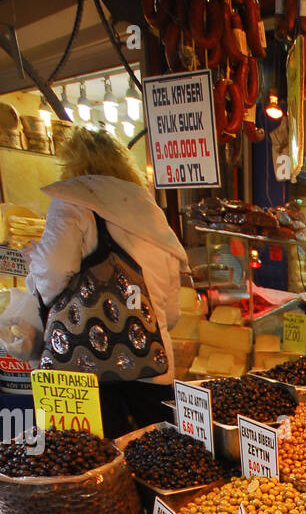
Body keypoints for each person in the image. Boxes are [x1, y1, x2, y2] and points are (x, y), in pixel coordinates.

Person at [26, 127, 189, 434]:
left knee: (97, 468)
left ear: (72, 162)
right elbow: (171, 313)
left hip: (85, 369)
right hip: (152, 365)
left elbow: (51, 271)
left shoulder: (72, 201)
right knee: (160, 457)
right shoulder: (148, 208)